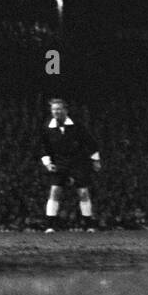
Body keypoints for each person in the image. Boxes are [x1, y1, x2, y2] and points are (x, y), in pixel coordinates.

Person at [41, 97, 101, 232]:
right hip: (59, 162)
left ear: (65, 110)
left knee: (83, 192)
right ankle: (49, 225)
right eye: (53, 109)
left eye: (58, 109)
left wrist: (95, 160)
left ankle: (89, 225)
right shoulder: (47, 127)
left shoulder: (77, 125)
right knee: (54, 191)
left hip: (77, 162)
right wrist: (48, 163)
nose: (56, 112)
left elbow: (90, 142)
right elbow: (44, 147)